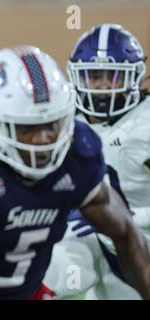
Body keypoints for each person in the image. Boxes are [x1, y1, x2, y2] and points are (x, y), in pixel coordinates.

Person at [0, 45, 150, 300]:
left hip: (31, 291)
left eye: (52, 124)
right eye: (27, 128)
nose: (43, 140)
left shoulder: (78, 154)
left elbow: (126, 235)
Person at [44, 24, 150, 300]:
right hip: (89, 231)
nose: (103, 86)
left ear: (134, 79)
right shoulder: (67, 120)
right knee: (42, 267)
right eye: (94, 77)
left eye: (113, 77)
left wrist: (121, 219)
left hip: (142, 235)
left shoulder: (145, 126)